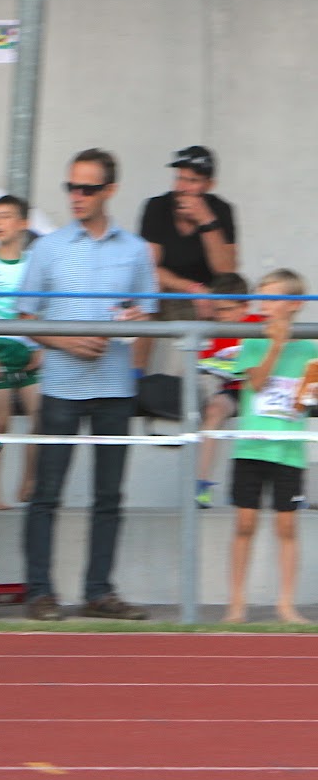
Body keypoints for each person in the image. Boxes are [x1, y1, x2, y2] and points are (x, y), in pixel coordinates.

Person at [16, 148, 158, 621]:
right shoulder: (48, 247)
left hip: (115, 387)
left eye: (88, 188)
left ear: (109, 191)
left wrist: (135, 320)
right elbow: (24, 319)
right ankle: (40, 592)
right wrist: (67, 343)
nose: (77, 196)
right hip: (60, 385)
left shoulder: (136, 250)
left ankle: (99, 591)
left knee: (109, 496)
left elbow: (148, 314)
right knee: (46, 493)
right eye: (72, 187)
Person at [224, 269, 312, 624]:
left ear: (293, 305)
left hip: (288, 449)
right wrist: (275, 345)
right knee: (245, 524)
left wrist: (306, 396)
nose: (265, 305)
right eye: (262, 298)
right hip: (251, 448)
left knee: (286, 527)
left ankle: (286, 604)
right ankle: (236, 603)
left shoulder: (309, 346)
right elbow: (256, 384)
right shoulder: (253, 341)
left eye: (273, 298)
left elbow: (304, 402)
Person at [135, 145, 237, 375]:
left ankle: (220, 378)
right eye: (179, 178)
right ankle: (136, 377)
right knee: (148, 289)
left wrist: (207, 221)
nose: (181, 187)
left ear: (209, 185)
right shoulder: (157, 207)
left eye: (192, 181)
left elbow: (227, 271)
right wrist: (192, 288)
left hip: (209, 299)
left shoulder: (221, 211)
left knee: (232, 299)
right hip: (169, 293)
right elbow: (149, 268)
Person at [0, 195, 43, 511]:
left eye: (6, 216)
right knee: (0, 419)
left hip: (29, 348)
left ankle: (29, 482)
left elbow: (44, 307)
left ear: (23, 224)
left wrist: (42, 346)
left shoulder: (34, 263)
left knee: (40, 414)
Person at [193, 273, 258, 508]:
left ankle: (243, 488)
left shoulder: (259, 323)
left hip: (260, 391)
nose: (220, 316)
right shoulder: (216, 330)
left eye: (226, 310)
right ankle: (201, 484)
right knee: (213, 411)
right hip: (232, 390)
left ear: (245, 306)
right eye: (217, 310)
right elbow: (202, 362)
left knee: (257, 422)